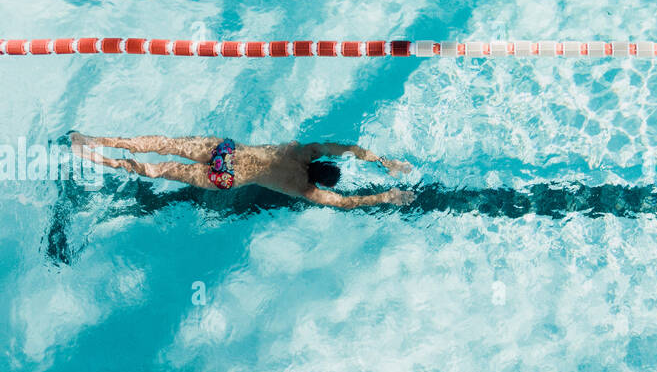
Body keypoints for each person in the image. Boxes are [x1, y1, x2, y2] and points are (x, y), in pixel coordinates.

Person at [70, 133, 414, 209]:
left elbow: (346, 148)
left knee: (166, 144)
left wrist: (386, 162)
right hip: (225, 178)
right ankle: (104, 162)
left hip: (225, 151)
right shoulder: (304, 190)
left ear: (321, 165)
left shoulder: (301, 151)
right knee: (160, 170)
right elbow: (345, 203)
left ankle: (99, 139)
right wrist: (388, 195)